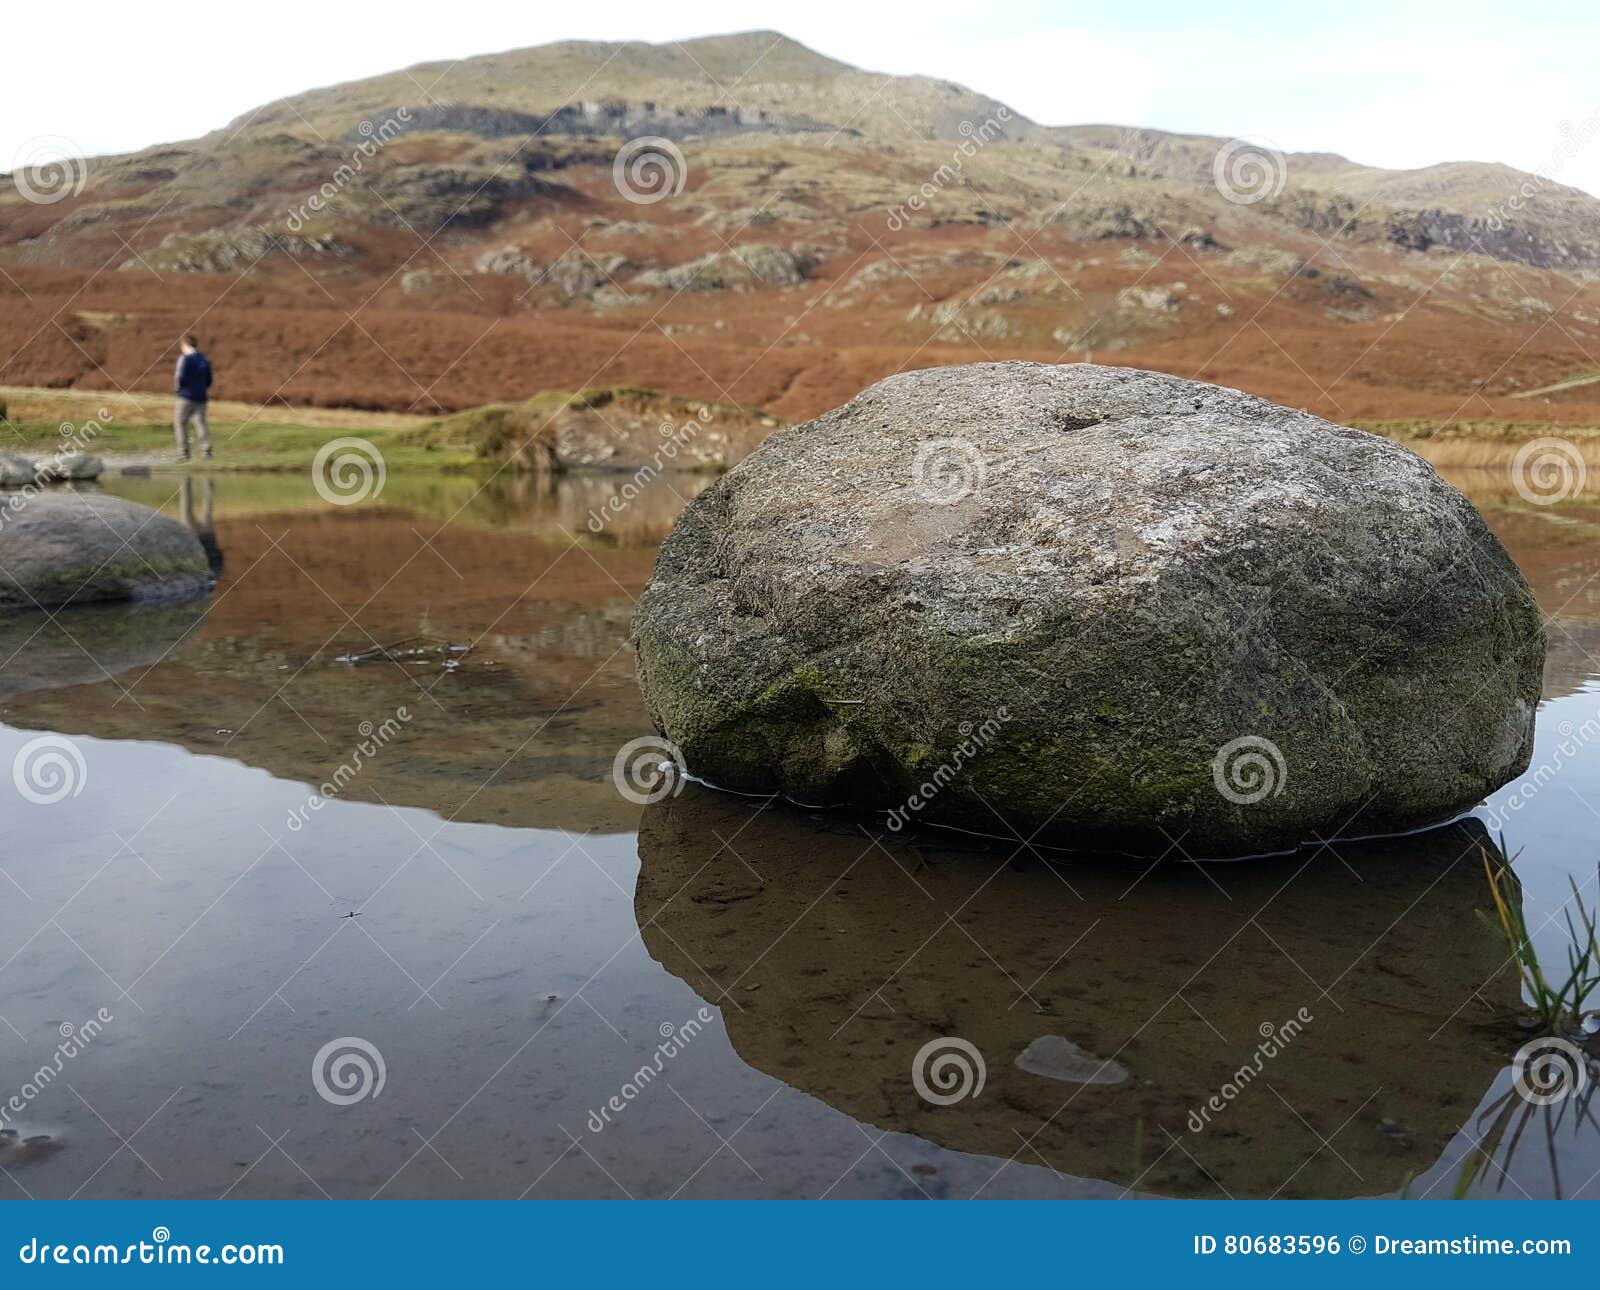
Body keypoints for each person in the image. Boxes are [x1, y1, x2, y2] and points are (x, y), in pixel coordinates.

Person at [173, 335, 214, 461]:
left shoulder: (184, 358)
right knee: (200, 423)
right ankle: (206, 452)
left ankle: (184, 454)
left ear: (185, 345)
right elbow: (209, 379)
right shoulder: (204, 359)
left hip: (186, 396)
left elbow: (180, 377)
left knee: (180, 423)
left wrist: (179, 390)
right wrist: (202, 389)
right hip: (201, 396)